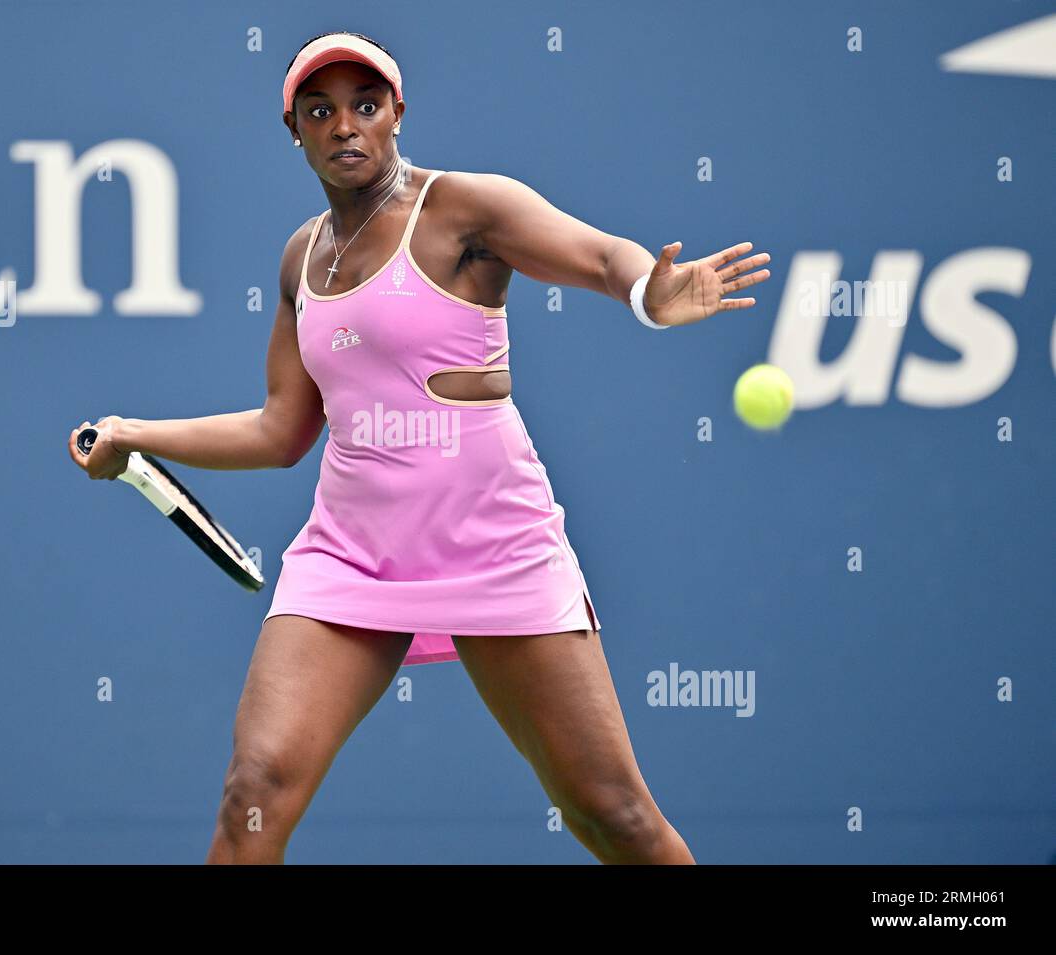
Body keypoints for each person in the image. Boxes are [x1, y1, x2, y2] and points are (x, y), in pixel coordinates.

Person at [67, 30, 770, 864]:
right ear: (294, 130)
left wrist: (651, 294)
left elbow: (598, 255)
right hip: (350, 554)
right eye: (320, 111)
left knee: (611, 814)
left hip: (496, 546)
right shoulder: (303, 257)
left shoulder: (466, 210)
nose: (345, 126)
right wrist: (133, 435)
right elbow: (280, 430)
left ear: (397, 112)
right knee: (252, 791)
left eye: (365, 105)